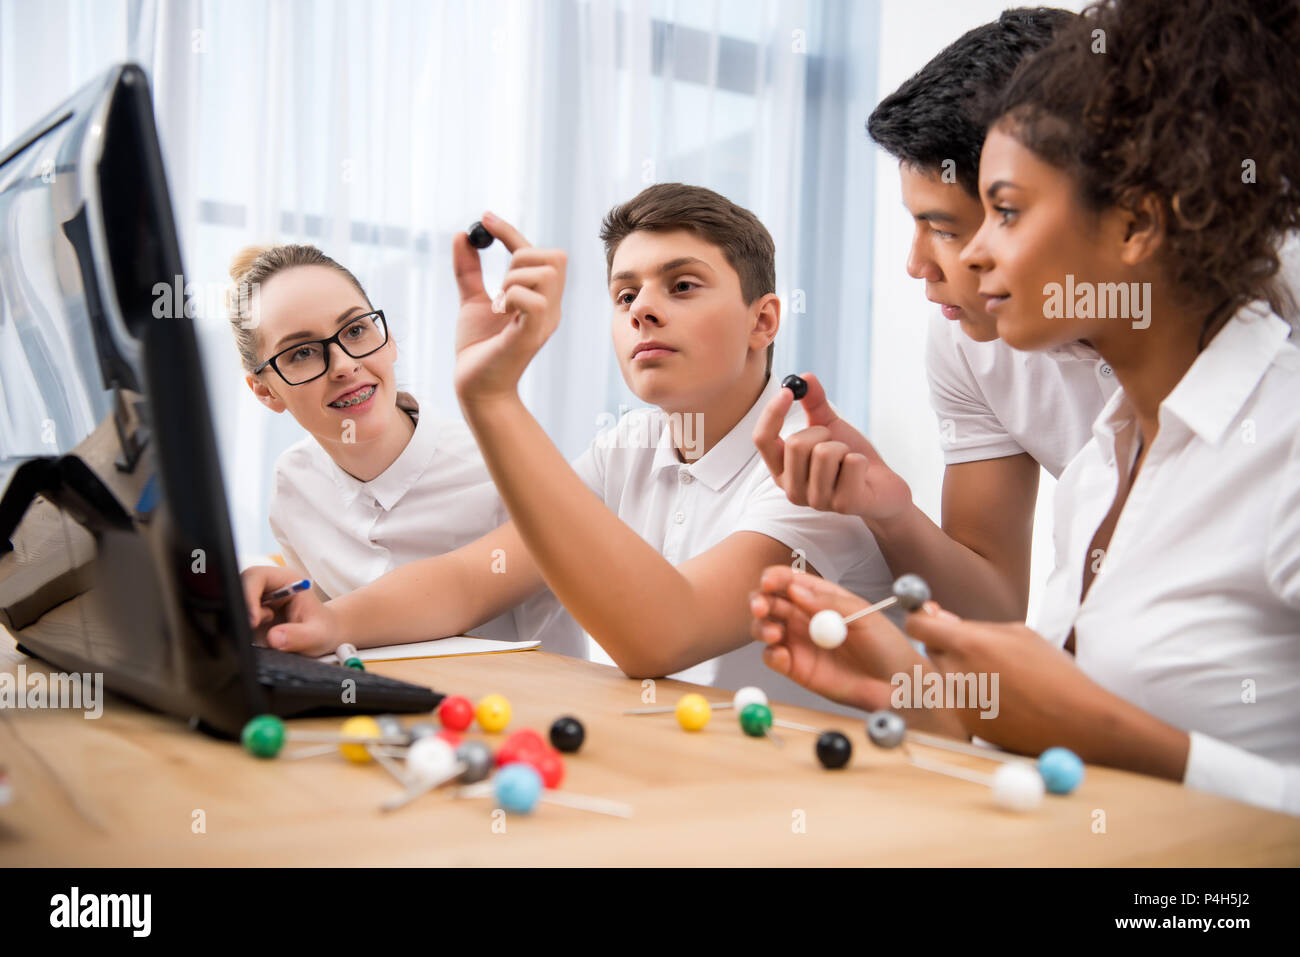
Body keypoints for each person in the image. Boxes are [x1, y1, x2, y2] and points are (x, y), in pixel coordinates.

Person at [751, 0, 1300, 814]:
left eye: (1004, 210)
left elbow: (1112, 731)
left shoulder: (1279, 447)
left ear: (1138, 223)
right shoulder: (1097, 470)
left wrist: (1119, 736)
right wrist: (911, 682)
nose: (965, 255)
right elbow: (1065, 749)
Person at [242, 186, 893, 706]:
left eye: (683, 285)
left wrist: (493, 395)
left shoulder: (814, 474)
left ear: (764, 319)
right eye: (625, 294)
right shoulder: (628, 448)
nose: (642, 309)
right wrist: (326, 625)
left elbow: (662, 635)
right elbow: (472, 577)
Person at [228, 243, 578, 652]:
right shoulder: (293, 485)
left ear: (388, 338)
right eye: (302, 353)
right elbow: (325, 641)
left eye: (356, 330)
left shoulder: (500, 468)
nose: (343, 365)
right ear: (266, 392)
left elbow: (465, 592)